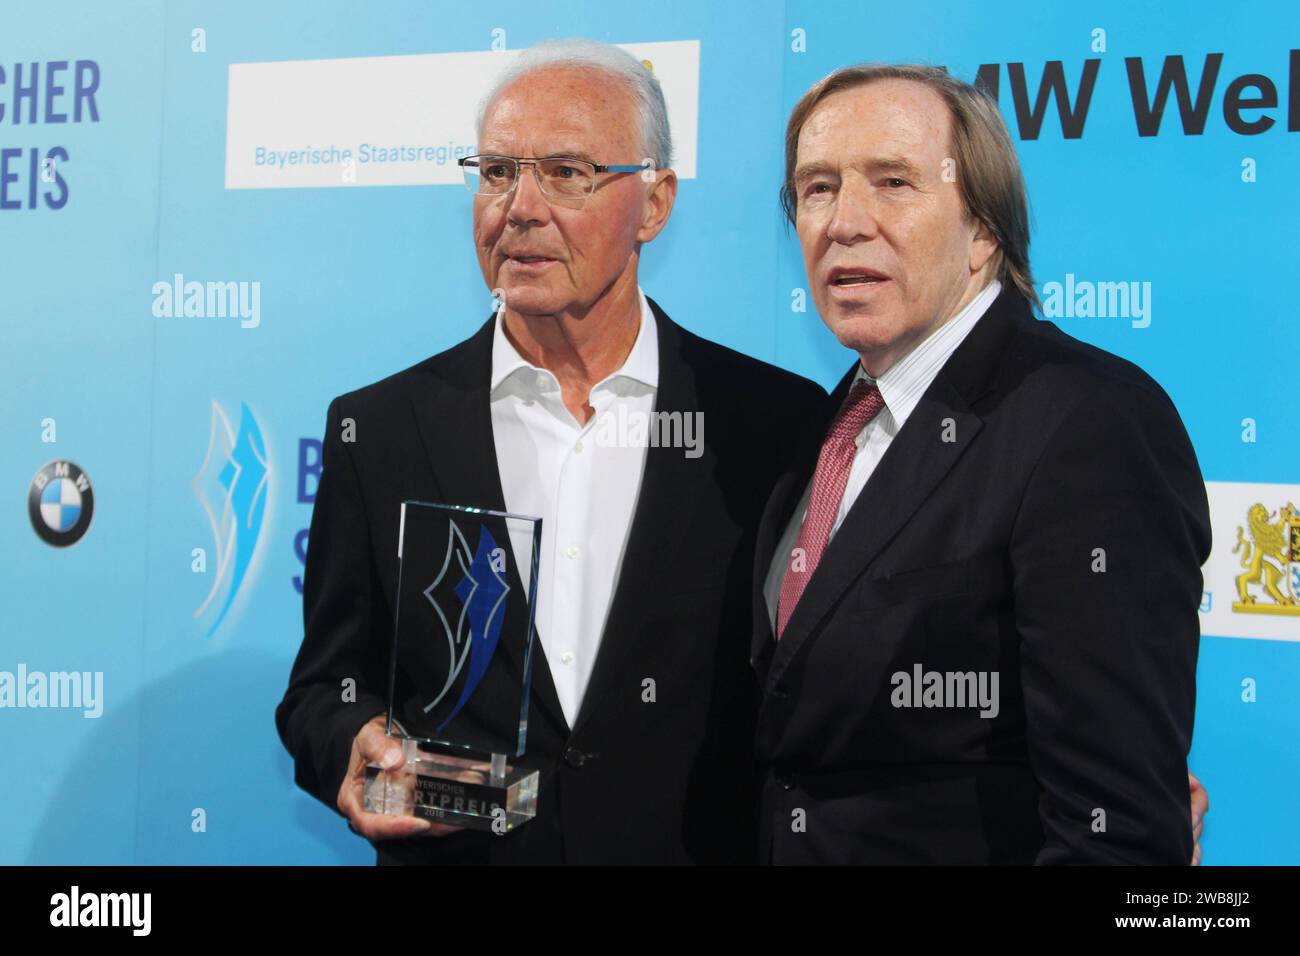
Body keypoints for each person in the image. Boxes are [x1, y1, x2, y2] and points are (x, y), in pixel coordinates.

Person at [274, 39, 823, 864]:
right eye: (497, 172)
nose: (519, 208)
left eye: (567, 172)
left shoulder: (772, 423)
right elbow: (325, 686)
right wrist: (351, 745)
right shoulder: (379, 429)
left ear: (655, 204)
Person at [753, 64, 1212, 864]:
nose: (844, 222)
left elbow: (1116, 830)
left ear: (984, 229)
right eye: (818, 188)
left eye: (893, 182)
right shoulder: (826, 424)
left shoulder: (1089, 422)